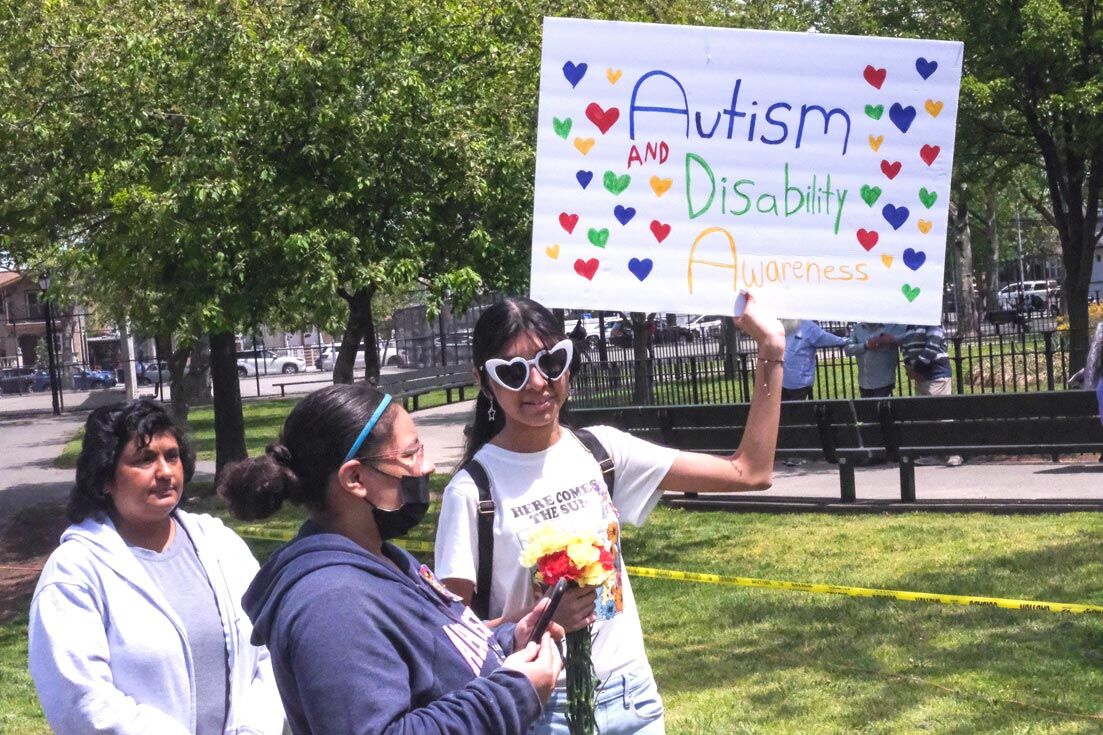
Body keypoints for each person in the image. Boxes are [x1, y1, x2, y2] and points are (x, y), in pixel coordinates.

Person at [434, 294, 784, 735]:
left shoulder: (603, 451)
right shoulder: (471, 491)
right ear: (485, 383)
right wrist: (537, 619)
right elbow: (452, 640)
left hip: (631, 695)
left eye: (551, 361)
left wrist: (771, 351)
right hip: (542, 709)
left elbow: (749, 472)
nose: (538, 383)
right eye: (512, 372)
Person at [217, 383, 562, 735]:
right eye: (410, 454)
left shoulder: (382, 558)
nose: (426, 466)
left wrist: (508, 644)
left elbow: (438, 660)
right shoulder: (333, 606)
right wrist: (512, 692)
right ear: (354, 478)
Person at [28, 399, 285, 735]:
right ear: (105, 477)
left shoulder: (220, 545)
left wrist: (254, 730)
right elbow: (81, 700)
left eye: (172, 456)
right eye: (145, 459)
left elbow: (269, 649)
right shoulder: (74, 573)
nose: (165, 471)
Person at [900, 324, 963, 467]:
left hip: (936, 374)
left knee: (943, 416)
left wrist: (916, 369)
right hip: (920, 376)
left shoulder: (933, 324)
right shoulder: (909, 326)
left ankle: (954, 453)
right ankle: (934, 453)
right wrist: (910, 367)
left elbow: (931, 348)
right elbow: (905, 348)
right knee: (926, 418)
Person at [780, 319, 847, 401]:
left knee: (785, 410)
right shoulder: (807, 326)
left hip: (785, 379)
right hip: (798, 380)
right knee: (797, 411)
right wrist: (846, 340)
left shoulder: (784, 325)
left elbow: (824, 337)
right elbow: (825, 338)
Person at [844, 322, 908, 397]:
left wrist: (893, 340)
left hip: (884, 382)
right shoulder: (858, 328)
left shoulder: (893, 326)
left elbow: (908, 337)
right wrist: (866, 345)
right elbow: (848, 350)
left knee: (880, 407)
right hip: (863, 382)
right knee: (867, 408)